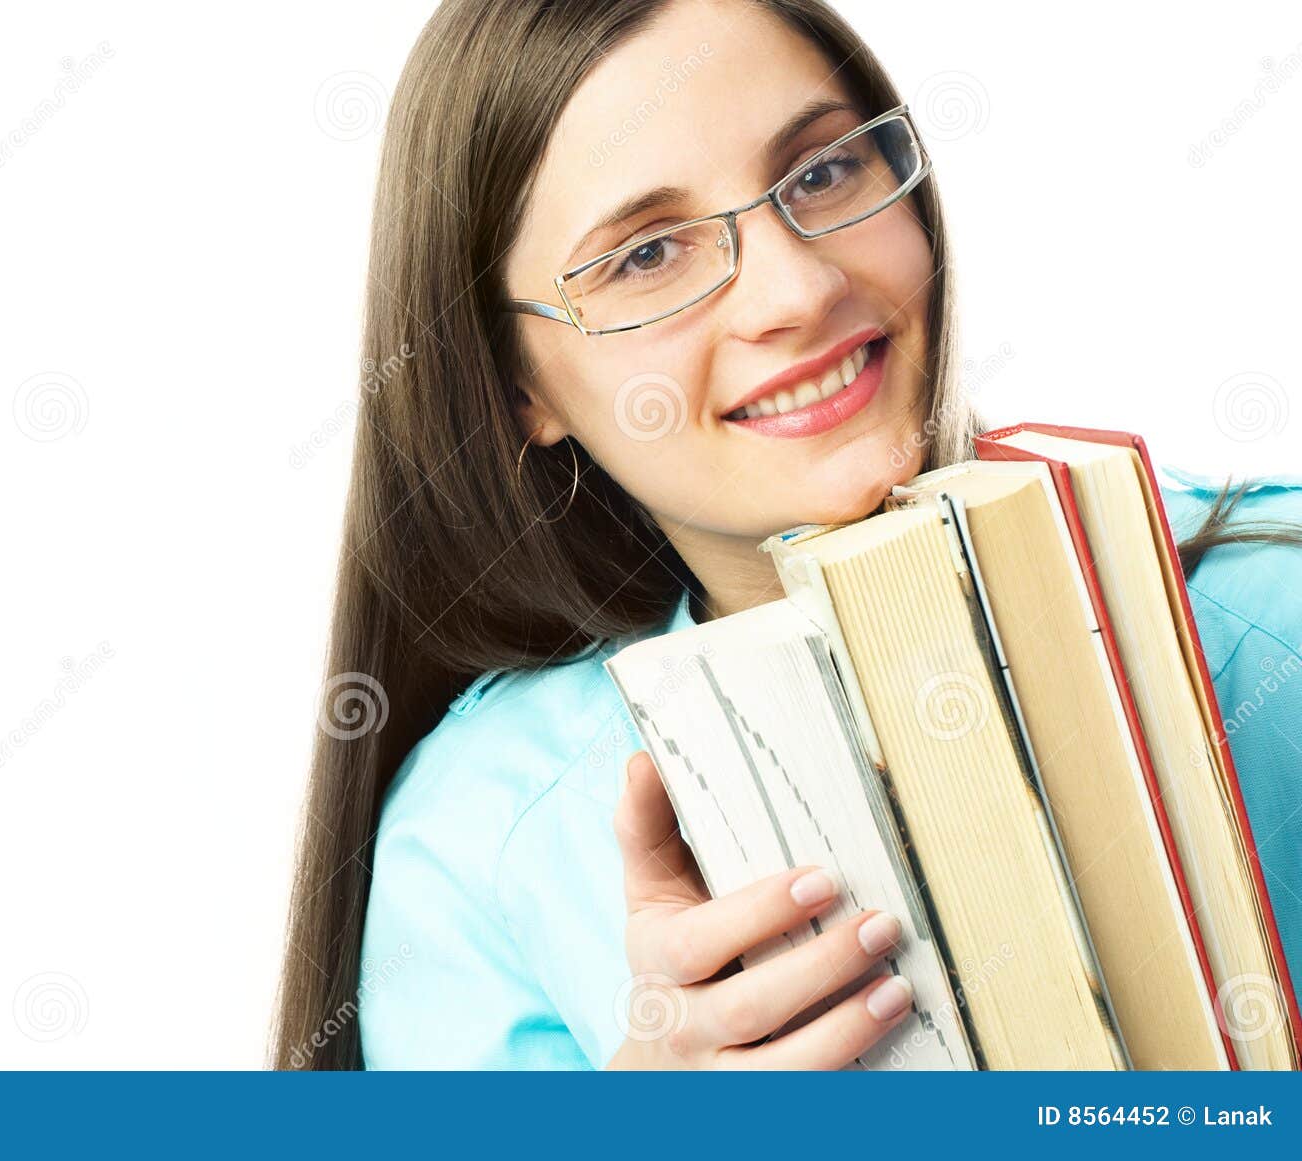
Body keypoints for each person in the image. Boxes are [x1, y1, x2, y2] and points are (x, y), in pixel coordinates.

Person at [275, 0, 1302, 1069]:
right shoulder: (478, 838)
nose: (800, 290)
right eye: (646, 255)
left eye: (821, 174)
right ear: (515, 389)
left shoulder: (1281, 604)